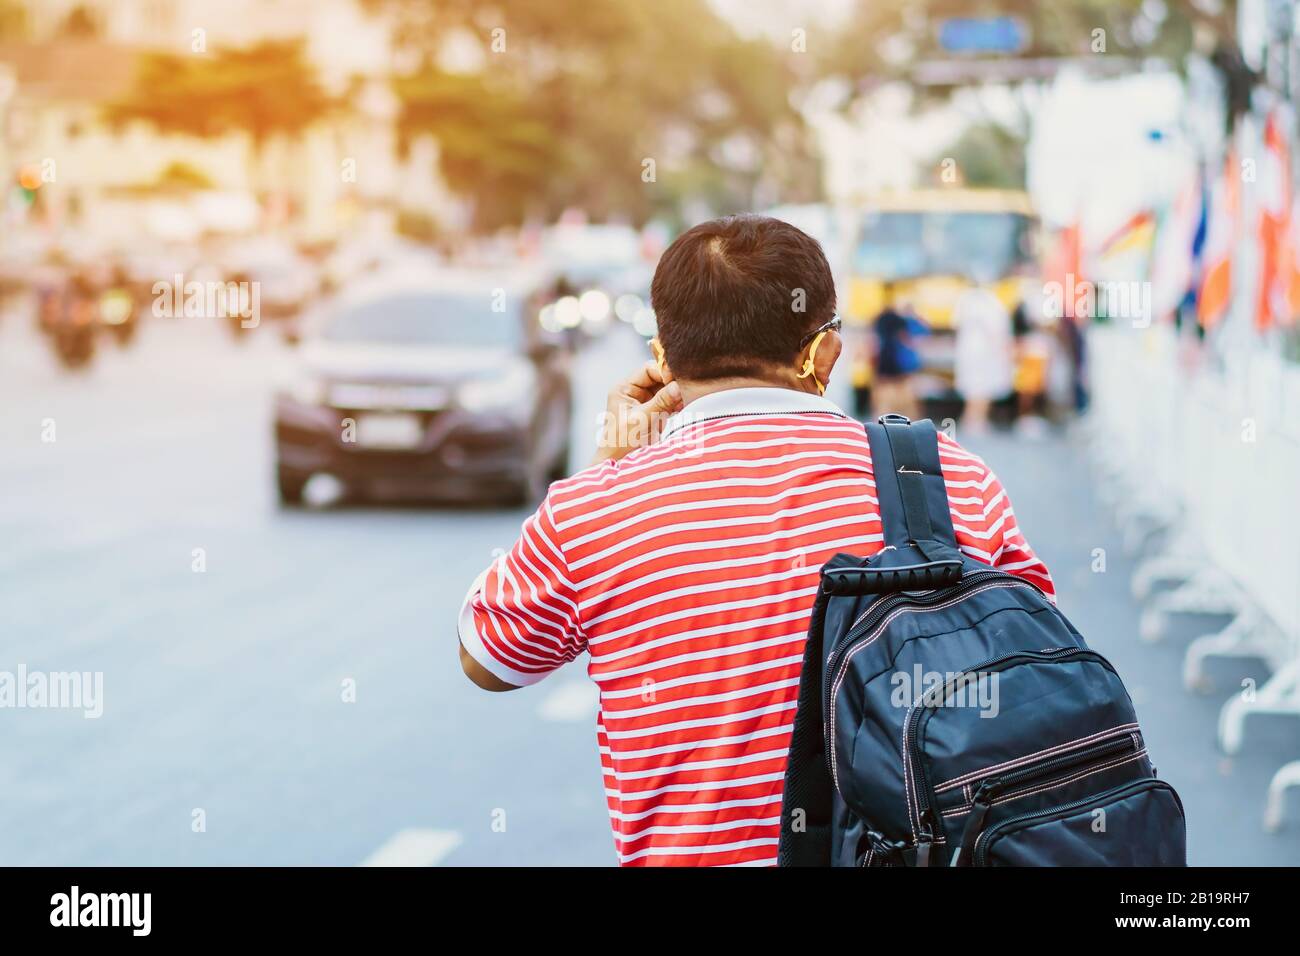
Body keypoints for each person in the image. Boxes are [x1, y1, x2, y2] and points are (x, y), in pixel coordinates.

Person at [457, 215, 1054, 867]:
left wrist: (607, 464)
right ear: (825, 353)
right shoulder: (952, 479)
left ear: (662, 356)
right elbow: (1038, 667)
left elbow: (490, 657)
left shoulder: (595, 509)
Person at [952, 285, 1013, 433]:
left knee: (975, 389)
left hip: (969, 351)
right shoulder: (990, 303)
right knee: (981, 390)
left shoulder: (967, 301)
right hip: (985, 354)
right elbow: (995, 331)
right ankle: (975, 421)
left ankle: (972, 420)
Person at [869, 282, 925, 420]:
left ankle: (881, 424)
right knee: (907, 404)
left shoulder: (879, 318)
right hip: (900, 367)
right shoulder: (902, 320)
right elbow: (913, 338)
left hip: (884, 365)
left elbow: (873, 342)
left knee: (883, 403)